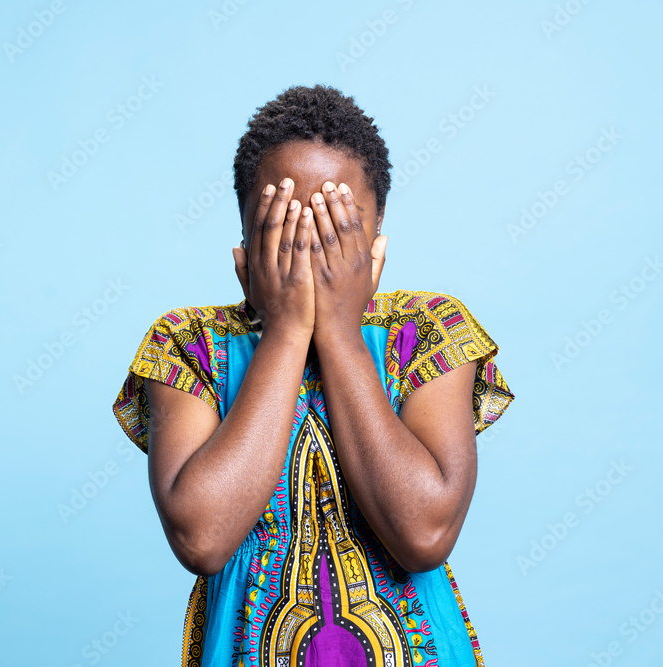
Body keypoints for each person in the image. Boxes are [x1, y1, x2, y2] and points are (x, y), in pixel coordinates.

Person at [111, 84, 514, 667]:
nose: (310, 255)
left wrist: (340, 333)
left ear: (375, 246)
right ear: (245, 248)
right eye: (286, 229)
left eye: (334, 232)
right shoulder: (188, 343)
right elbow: (202, 538)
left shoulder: (429, 331)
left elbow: (424, 535)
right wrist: (286, 330)